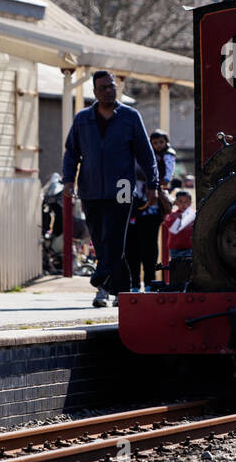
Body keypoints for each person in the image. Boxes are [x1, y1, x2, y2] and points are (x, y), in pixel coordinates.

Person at [62, 70, 158, 307]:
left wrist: (152, 185)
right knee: (100, 239)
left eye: (112, 86)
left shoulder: (130, 117)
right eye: (103, 87)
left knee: (114, 238)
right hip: (90, 187)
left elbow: (146, 155)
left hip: (123, 187)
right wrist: (67, 180)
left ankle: (100, 284)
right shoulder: (82, 119)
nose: (108, 91)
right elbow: (71, 152)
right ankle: (121, 291)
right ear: (94, 92)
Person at [126, 130, 175, 291]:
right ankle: (134, 283)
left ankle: (149, 282)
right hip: (131, 209)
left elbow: (167, 173)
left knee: (149, 248)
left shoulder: (158, 157)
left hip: (151, 210)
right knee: (131, 248)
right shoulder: (128, 157)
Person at [163, 190, 195, 261]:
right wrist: (178, 220)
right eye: (180, 201)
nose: (183, 204)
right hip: (175, 249)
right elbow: (172, 230)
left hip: (189, 248)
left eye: (186, 201)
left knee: (188, 268)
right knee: (176, 269)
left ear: (190, 202)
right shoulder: (172, 215)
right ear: (176, 202)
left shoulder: (194, 215)